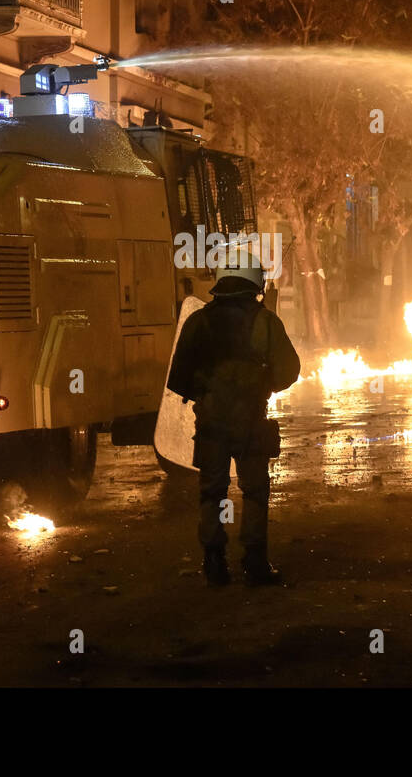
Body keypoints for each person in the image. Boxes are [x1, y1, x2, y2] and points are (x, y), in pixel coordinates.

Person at [166, 244, 301, 586]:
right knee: (255, 491)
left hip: (210, 422)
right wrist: (264, 385)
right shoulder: (266, 322)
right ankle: (255, 565)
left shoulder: (198, 321)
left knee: (213, 491)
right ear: (255, 286)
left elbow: (178, 376)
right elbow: (290, 369)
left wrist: (204, 393)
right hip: (251, 421)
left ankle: (214, 563)